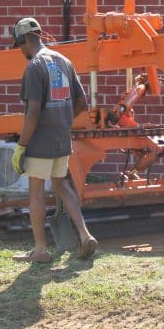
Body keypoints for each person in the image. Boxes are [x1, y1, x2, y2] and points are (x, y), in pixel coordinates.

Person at [10, 17, 98, 262]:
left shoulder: (34, 67)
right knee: (62, 185)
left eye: (20, 47)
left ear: (24, 40)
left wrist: (22, 145)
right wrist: (62, 118)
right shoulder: (64, 61)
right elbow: (82, 102)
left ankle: (40, 251)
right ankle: (84, 234)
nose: (22, 52)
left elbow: (34, 112)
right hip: (61, 137)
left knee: (36, 191)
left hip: (41, 140)